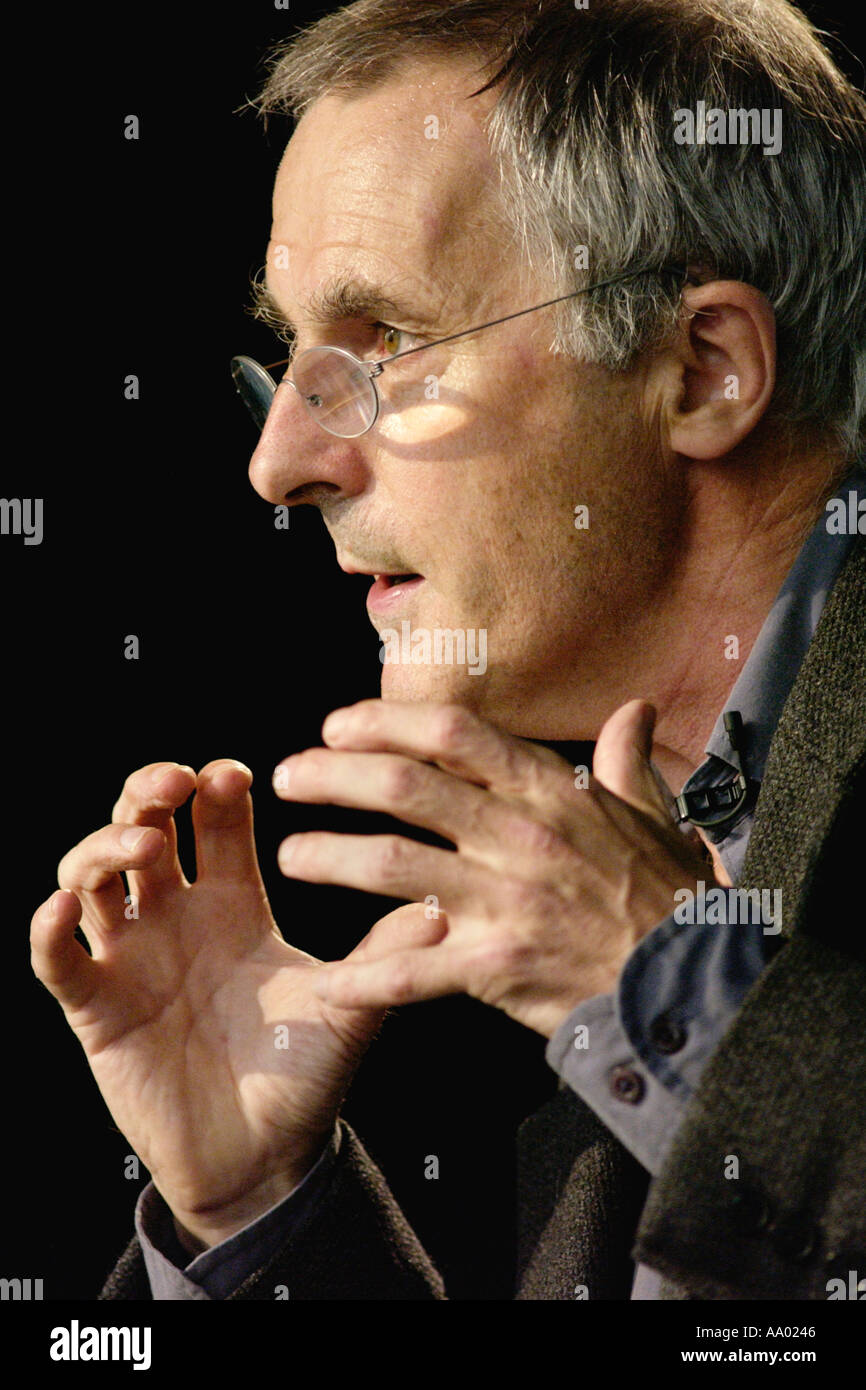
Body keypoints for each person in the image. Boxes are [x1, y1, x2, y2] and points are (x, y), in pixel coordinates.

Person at [31, 0, 865, 1301]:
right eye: (288, 366)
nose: (279, 464)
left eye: (394, 345)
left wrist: (688, 1002)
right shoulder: (643, 849)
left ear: (702, 367)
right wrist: (261, 1220)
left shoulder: (656, 934)